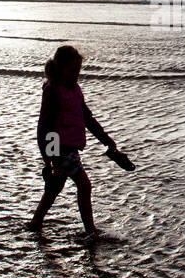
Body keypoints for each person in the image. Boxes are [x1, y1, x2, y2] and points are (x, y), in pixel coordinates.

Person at [27, 45, 118, 236]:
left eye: (78, 70)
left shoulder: (75, 90)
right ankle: (90, 230)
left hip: (69, 148)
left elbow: (87, 118)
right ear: (60, 68)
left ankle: (35, 222)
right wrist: (48, 156)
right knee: (84, 186)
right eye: (72, 70)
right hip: (60, 148)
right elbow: (44, 126)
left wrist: (106, 139)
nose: (76, 74)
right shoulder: (53, 91)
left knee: (54, 188)